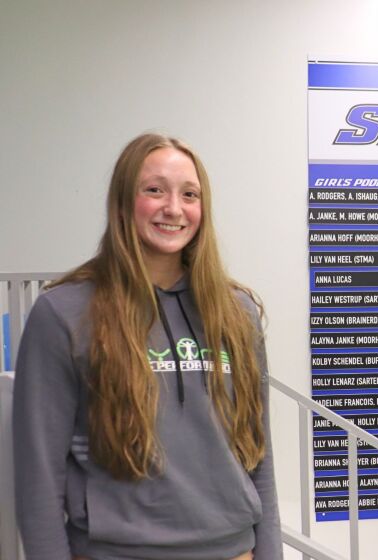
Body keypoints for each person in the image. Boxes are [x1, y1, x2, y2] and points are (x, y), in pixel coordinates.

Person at [13, 133, 282, 560]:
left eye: (189, 194)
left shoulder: (237, 312)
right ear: (123, 201)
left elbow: (258, 456)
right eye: (154, 190)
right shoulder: (64, 312)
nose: (173, 208)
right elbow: (38, 478)